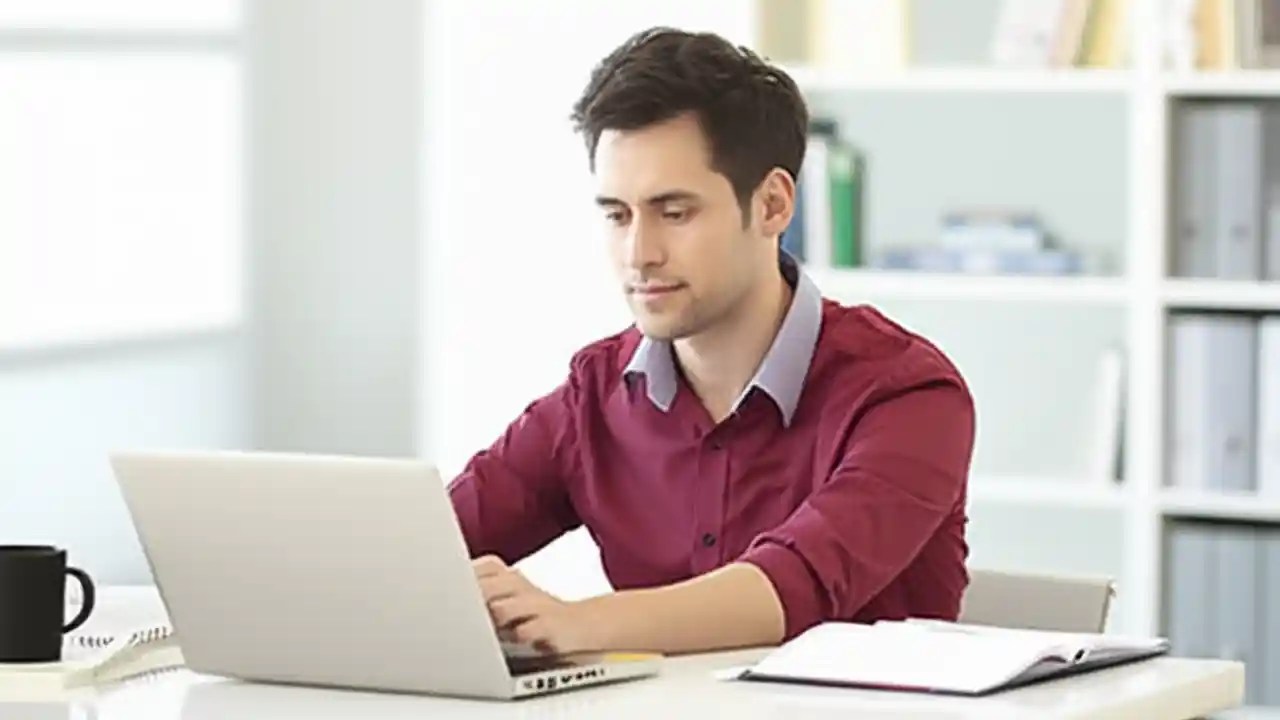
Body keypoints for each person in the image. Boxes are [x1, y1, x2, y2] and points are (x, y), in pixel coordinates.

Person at [447, 26, 976, 657]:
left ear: (774, 205)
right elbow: (427, 544)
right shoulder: (594, 395)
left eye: (675, 212)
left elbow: (792, 586)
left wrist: (579, 622)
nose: (638, 255)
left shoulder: (909, 396)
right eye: (617, 215)